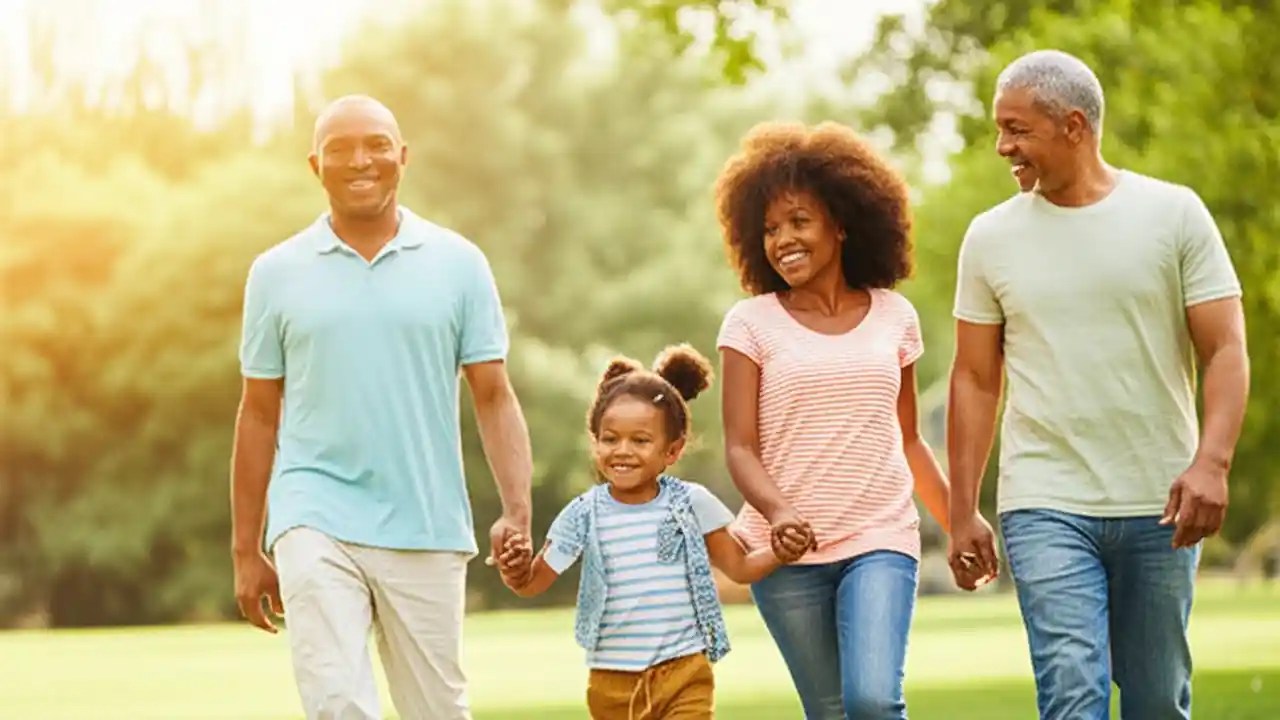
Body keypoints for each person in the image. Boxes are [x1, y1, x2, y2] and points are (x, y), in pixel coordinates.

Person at [947, 50, 1249, 720]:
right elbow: (973, 378)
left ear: (1075, 126)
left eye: (1017, 129)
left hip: (1160, 502)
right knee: (1072, 691)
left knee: (1155, 700)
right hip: (1045, 498)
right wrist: (962, 507)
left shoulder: (1174, 215)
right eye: (1000, 129)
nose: (1003, 147)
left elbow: (1225, 346)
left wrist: (1213, 463)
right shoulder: (990, 238)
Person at [229, 95, 534, 720]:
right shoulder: (276, 273)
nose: (359, 160)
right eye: (339, 149)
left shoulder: (459, 264)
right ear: (316, 165)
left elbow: (494, 395)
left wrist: (517, 511)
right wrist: (245, 548)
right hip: (312, 511)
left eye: (375, 144)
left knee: (438, 710)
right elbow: (258, 412)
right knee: (338, 702)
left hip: (425, 519)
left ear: (403, 157)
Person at [712, 121, 952, 720]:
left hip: (879, 537)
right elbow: (740, 448)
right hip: (784, 552)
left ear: (842, 224)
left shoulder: (895, 316)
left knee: (872, 701)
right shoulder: (749, 325)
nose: (782, 240)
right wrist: (780, 512)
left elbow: (909, 439)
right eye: (769, 229)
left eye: (799, 221)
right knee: (831, 711)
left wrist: (960, 523)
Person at [494, 344, 803, 719]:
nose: (622, 451)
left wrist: (781, 552)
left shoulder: (692, 502)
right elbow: (533, 582)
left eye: (640, 441)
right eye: (610, 439)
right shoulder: (583, 514)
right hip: (612, 680)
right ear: (595, 442)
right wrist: (516, 570)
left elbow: (739, 567)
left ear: (672, 451)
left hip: (685, 670)